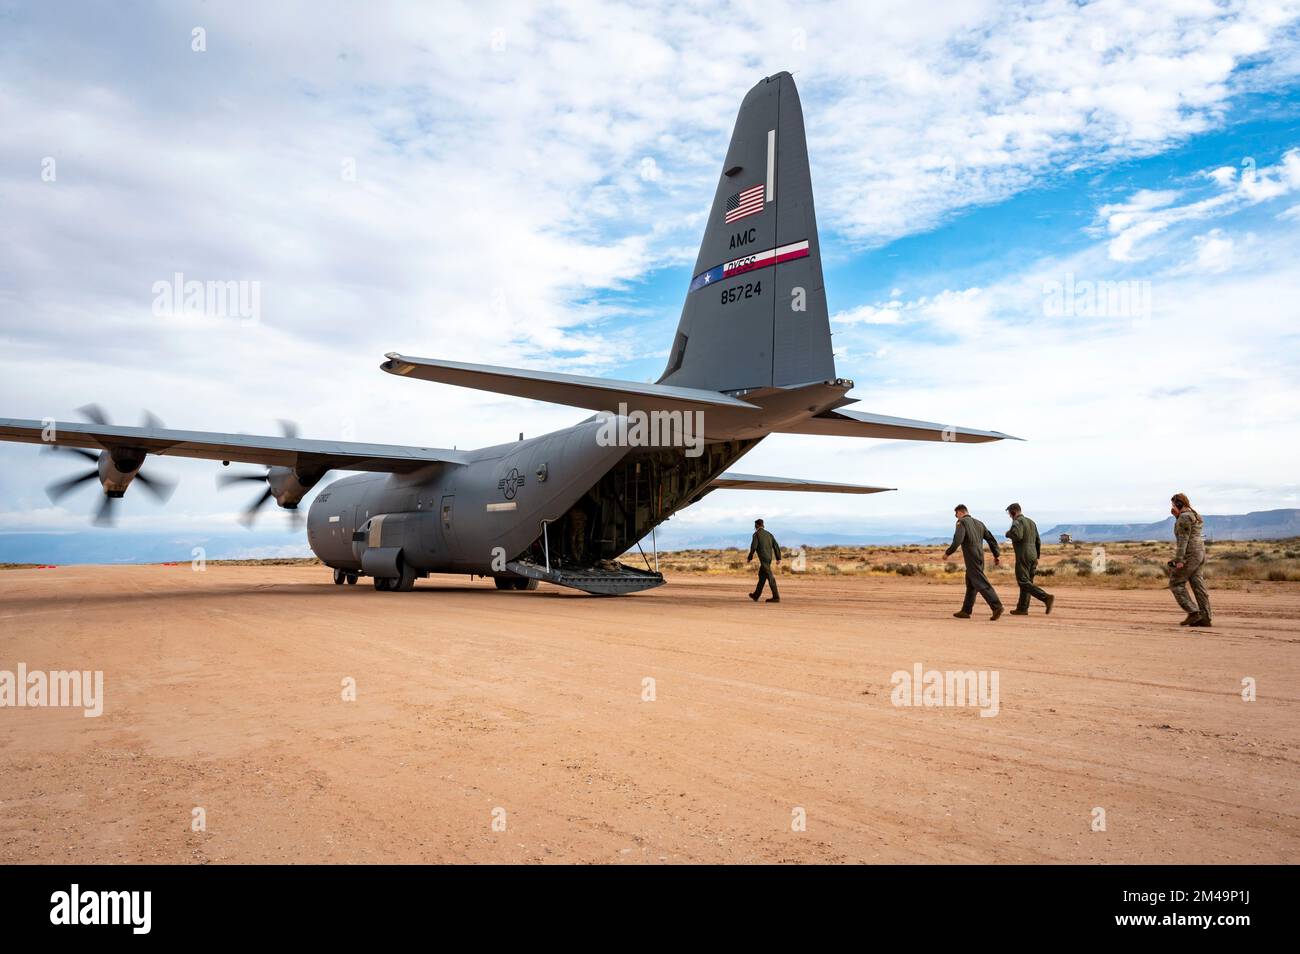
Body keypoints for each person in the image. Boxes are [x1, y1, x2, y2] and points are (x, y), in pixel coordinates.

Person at [943, 504, 1004, 620]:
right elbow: (991, 539)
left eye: (956, 514)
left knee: (981, 582)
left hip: (971, 557)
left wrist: (948, 552)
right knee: (971, 584)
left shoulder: (962, 523)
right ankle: (965, 611)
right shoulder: (979, 523)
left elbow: (958, 540)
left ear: (960, 512)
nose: (956, 517)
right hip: (980, 556)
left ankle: (997, 606)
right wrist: (996, 554)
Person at [1169, 492, 1212, 627]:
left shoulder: (1184, 517)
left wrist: (1179, 559)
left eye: (1173, 504)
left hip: (1190, 554)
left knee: (1176, 583)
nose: (1172, 507)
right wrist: (1177, 516)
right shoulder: (1194, 515)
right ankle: (1205, 617)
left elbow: (1183, 539)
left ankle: (1193, 613)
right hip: (1200, 553)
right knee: (1197, 585)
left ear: (1178, 504)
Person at [1004, 503, 1054, 615]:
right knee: (1028, 582)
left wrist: (1008, 534)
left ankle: (1046, 597)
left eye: (1010, 514)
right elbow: (1038, 540)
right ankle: (1022, 608)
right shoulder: (1031, 522)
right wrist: (1037, 556)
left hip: (1023, 555)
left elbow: (1017, 535)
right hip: (1033, 555)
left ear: (1013, 512)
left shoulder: (1017, 521)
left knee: (1022, 581)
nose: (1010, 517)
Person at [747, 518, 782, 603]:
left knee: (770, 577)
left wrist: (750, 557)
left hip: (763, 559)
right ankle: (756, 595)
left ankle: (776, 597)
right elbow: (776, 545)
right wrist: (778, 557)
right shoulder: (769, 534)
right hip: (769, 558)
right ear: (763, 525)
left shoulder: (756, 534)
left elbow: (753, 547)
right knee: (762, 576)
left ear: (756, 525)